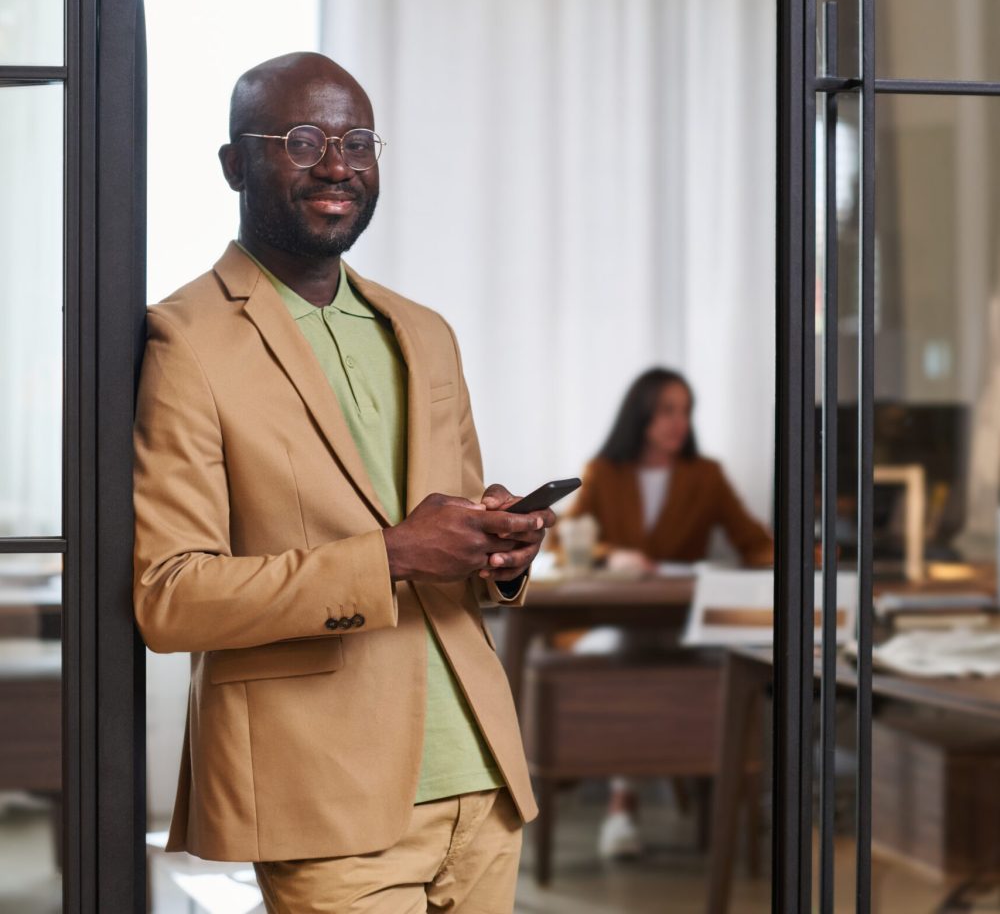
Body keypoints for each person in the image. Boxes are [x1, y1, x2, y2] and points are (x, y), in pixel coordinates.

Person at [132, 52, 554, 913]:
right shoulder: (185, 341)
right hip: (327, 799)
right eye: (301, 140)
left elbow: (454, 548)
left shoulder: (425, 332)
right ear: (234, 165)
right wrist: (393, 554)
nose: (337, 164)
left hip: (483, 785)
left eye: (358, 140)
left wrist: (499, 550)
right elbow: (171, 597)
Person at [560, 367, 773, 858]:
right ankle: (622, 804)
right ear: (641, 416)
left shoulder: (706, 475)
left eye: (686, 411)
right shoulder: (603, 472)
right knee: (627, 654)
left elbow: (753, 542)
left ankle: (713, 810)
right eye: (667, 410)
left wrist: (814, 556)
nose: (679, 422)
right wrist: (612, 553)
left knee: (731, 664)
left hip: (680, 624)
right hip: (607, 621)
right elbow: (566, 537)